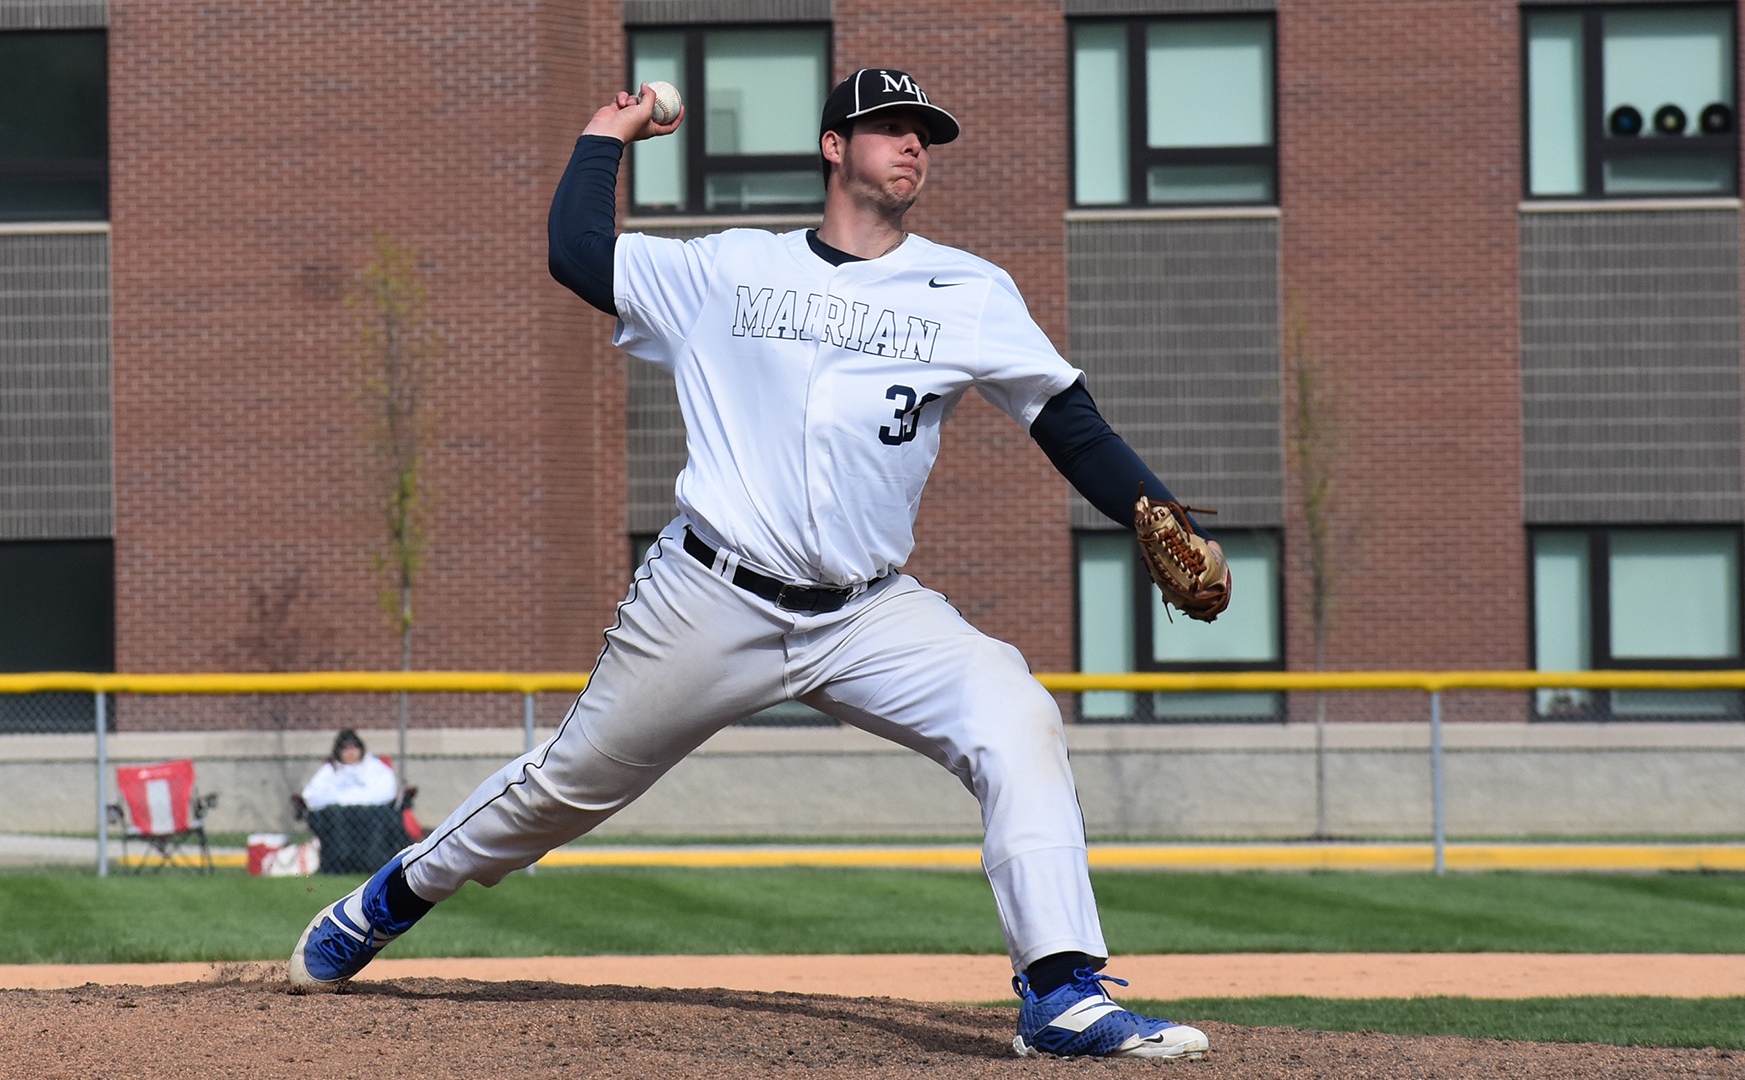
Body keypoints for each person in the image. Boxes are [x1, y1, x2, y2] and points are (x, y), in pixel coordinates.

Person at [290, 69, 1226, 1061]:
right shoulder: (729, 269)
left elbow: (1066, 421)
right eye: (889, 127)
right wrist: (605, 134)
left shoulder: (970, 291)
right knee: (562, 788)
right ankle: (392, 896)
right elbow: (577, 254)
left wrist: (1148, 512)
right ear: (833, 148)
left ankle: (1062, 993)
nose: (913, 145)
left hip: (869, 613)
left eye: (924, 134)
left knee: (1016, 714)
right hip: (709, 596)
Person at [295, 729, 411, 875]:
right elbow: (312, 795)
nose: (350, 753)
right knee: (334, 814)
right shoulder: (329, 770)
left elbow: (386, 791)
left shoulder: (375, 767)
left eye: (354, 748)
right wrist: (345, 801)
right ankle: (339, 861)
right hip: (339, 816)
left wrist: (353, 800)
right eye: (345, 749)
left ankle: (375, 860)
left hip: (371, 814)